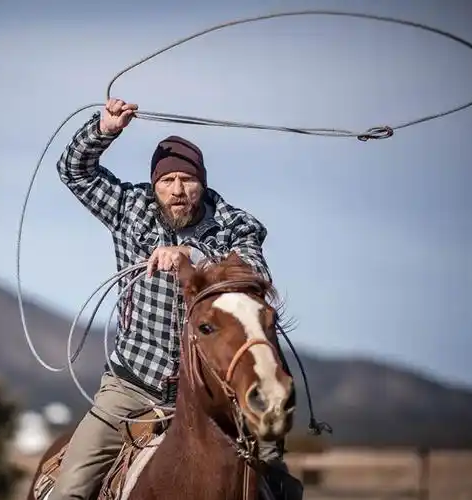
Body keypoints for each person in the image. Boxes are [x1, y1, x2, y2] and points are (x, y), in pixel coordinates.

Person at [48, 98, 303, 500]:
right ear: (155, 185)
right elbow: (73, 171)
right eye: (167, 181)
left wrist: (195, 258)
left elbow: (255, 275)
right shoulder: (131, 209)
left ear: (202, 182)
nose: (178, 191)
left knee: (281, 489)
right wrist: (104, 131)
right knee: (68, 491)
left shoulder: (233, 225)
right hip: (133, 386)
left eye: (188, 180)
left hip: (217, 396)